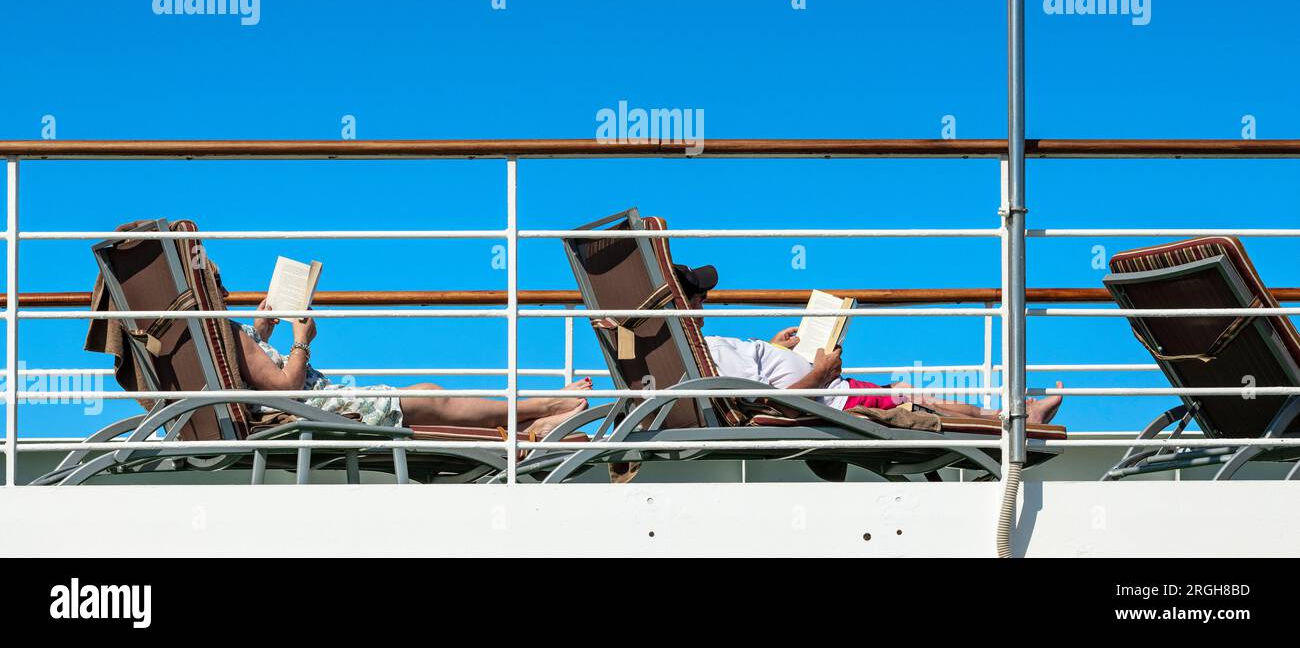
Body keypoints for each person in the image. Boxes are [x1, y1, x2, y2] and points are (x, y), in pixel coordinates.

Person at [673, 263, 1062, 423]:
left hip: (834, 393)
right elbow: (769, 404)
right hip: (835, 400)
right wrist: (822, 372)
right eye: (697, 295)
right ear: (682, 304)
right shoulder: (712, 353)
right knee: (911, 399)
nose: (704, 299)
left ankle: (1007, 417)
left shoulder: (704, 349)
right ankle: (1011, 419)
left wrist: (775, 349)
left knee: (907, 393)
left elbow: (758, 384)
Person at [231, 300, 591, 435]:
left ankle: (530, 429)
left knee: (425, 406)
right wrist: (301, 340)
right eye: (217, 284)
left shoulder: (228, 332)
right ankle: (539, 407)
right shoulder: (227, 330)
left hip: (318, 406)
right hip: (313, 410)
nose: (225, 290)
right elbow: (285, 389)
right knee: (430, 398)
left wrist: (260, 333)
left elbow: (259, 377)